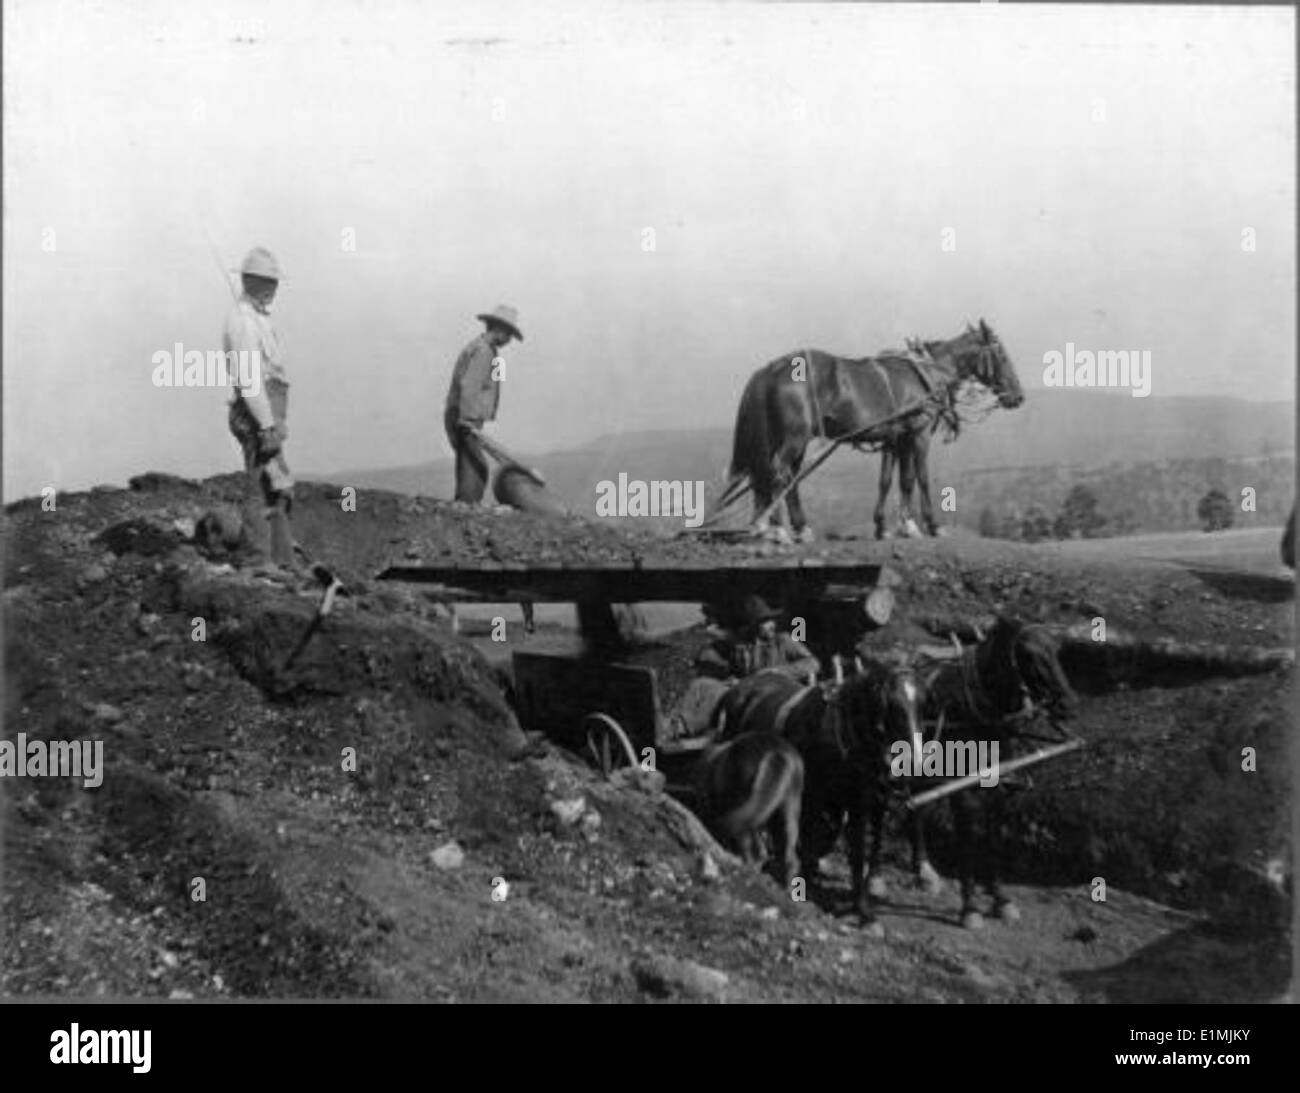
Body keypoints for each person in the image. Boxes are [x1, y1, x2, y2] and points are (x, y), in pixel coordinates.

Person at [224, 247, 297, 569]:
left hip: (269, 412)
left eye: (274, 281)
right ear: (248, 281)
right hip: (257, 414)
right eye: (266, 281)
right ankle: (257, 558)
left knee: (277, 483)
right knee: (258, 485)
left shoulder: (258, 319)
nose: (273, 288)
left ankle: (282, 559)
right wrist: (266, 425)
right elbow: (249, 379)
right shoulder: (241, 321)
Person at [444, 304, 523, 503]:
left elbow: (491, 385)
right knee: (475, 465)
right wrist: (468, 420)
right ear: (499, 329)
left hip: (465, 414)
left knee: (471, 462)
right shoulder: (483, 352)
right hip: (465, 416)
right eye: (509, 334)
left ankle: (465, 506)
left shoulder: (486, 350)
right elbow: (470, 385)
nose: (510, 340)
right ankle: (466, 507)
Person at [695, 594, 820, 683]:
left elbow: (812, 663)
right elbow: (709, 658)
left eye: (771, 621)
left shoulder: (783, 640)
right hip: (749, 696)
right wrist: (729, 679)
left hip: (779, 693)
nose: (772, 626)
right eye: (765, 623)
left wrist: (778, 672)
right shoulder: (739, 644)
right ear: (752, 626)